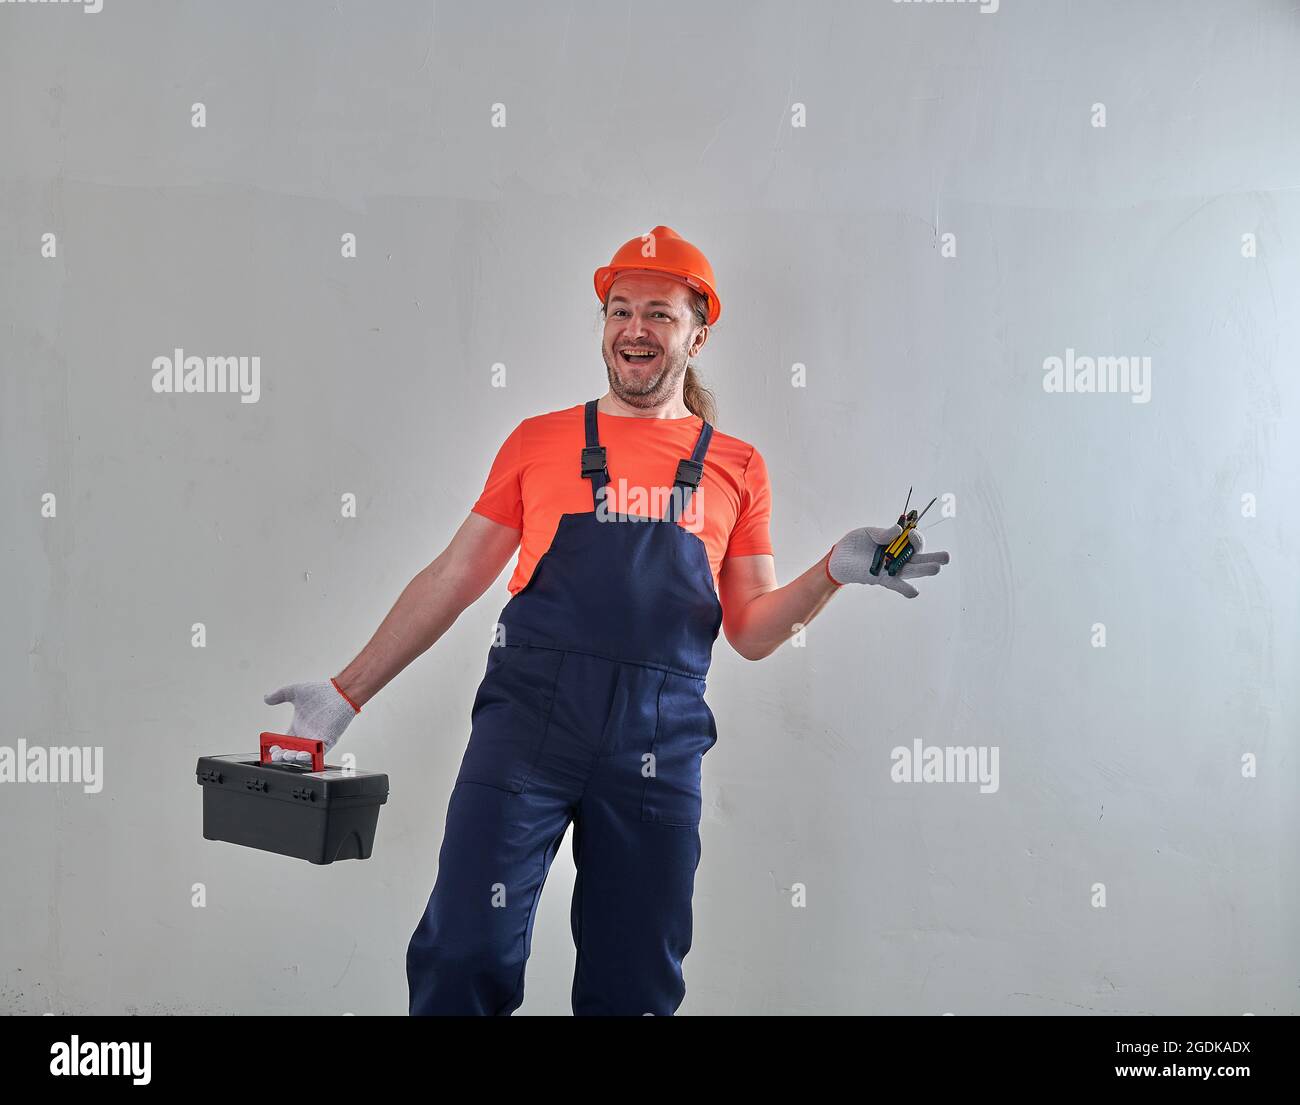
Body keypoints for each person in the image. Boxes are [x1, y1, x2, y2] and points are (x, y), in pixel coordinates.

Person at [263, 226, 950, 1015]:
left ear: (698, 332)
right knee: (464, 951)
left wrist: (834, 568)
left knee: (634, 988)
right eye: (619, 309)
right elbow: (453, 578)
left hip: (659, 740)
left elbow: (753, 629)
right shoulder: (539, 442)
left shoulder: (737, 466)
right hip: (527, 726)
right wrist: (344, 694)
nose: (634, 328)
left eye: (658, 313)